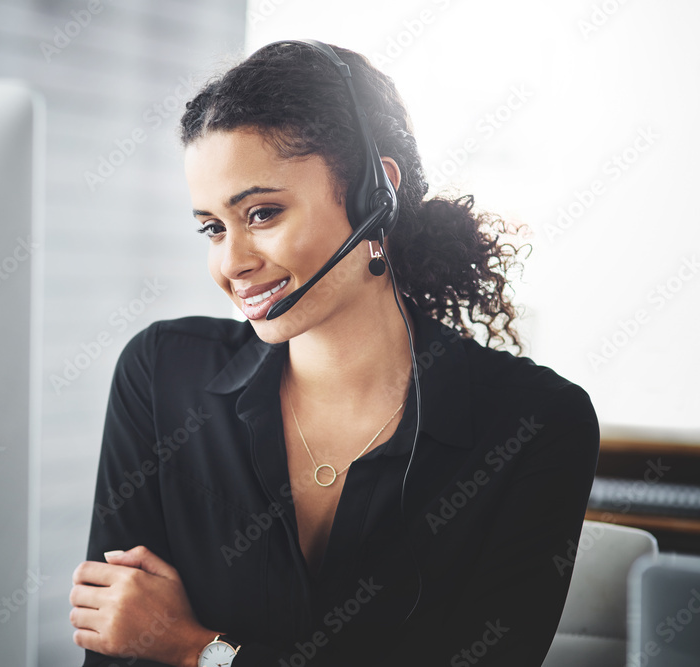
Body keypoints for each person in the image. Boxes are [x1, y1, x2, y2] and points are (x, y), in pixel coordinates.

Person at [69, 40, 600, 667]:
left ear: (375, 194)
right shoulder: (163, 373)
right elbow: (116, 643)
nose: (231, 263)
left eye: (262, 214)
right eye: (212, 227)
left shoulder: (536, 423)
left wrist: (197, 649)